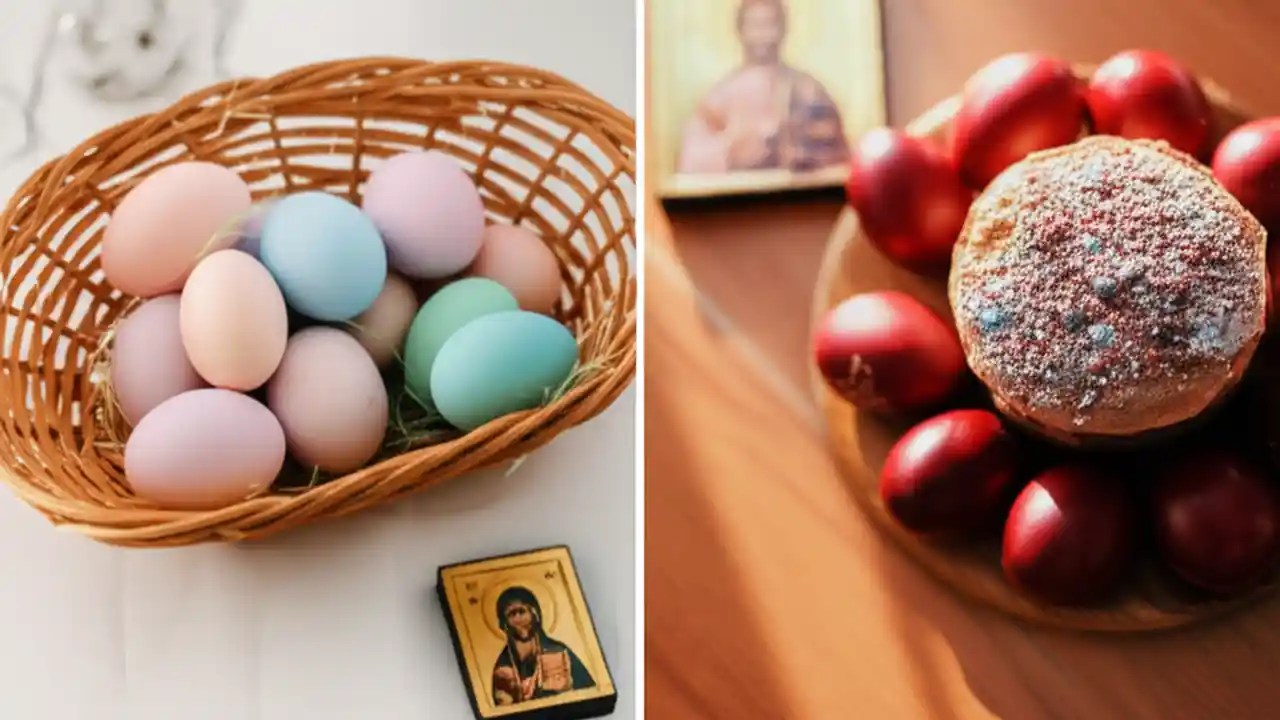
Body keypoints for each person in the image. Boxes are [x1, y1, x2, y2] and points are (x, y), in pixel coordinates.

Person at [678, 0, 851, 175]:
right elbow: (692, 161)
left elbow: (837, 158)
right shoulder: (719, 97)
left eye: (771, 24)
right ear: (740, 30)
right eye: (755, 25)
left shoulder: (809, 90)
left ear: (783, 29)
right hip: (740, 191)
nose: (764, 35)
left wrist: (800, 152)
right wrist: (732, 152)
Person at [491, 586, 595, 705]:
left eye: (522, 611)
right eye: (512, 614)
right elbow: (504, 709)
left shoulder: (558, 651)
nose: (518, 619)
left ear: (535, 614)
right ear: (503, 623)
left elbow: (589, 692)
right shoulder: (503, 667)